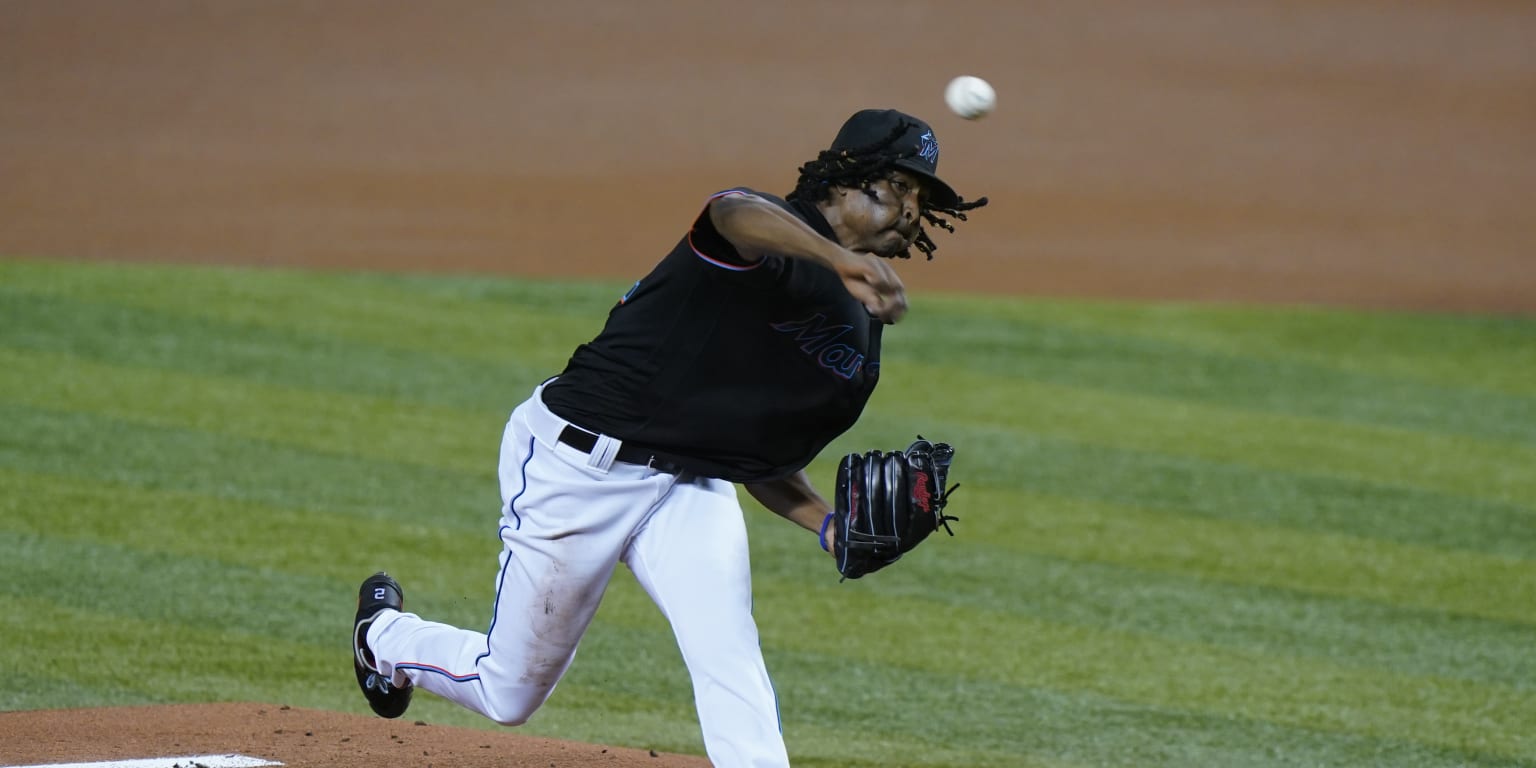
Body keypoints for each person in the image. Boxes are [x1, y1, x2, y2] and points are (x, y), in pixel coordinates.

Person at [351, 108, 986, 767]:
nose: (912, 213)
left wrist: (829, 526)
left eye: (923, 202)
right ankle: (385, 638)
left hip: (692, 484)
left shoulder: (858, 331)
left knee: (729, 654)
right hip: (578, 465)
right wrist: (833, 256)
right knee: (508, 691)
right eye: (898, 188)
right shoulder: (768, 234)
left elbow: (755, 456)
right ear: (841, 181)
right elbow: (727, 211)